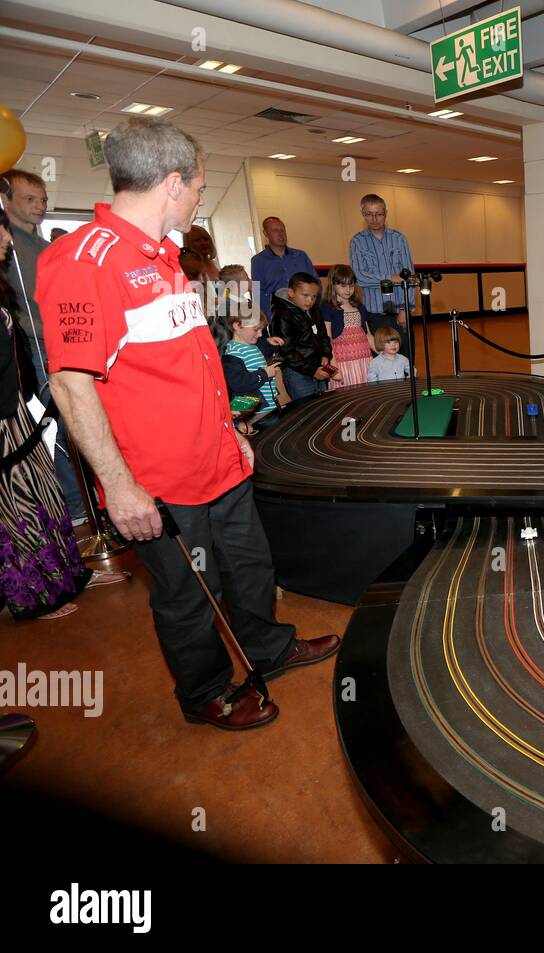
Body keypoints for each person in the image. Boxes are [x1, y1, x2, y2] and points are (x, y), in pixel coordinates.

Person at [38, 117, 338, 729]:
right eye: (200, 186)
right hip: (159, 480)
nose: (202, 197)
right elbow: (71, 384)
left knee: (251, 564)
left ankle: (270, 648)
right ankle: (205, 692)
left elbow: (197, 363)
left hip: (219, 459)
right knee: (187, 596)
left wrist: (232, 435)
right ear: (173, 184)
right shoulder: (82, 261)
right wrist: (119, 486)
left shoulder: (169, 257)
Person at [1, 207, 128, 620]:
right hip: (3, 424)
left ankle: (71, 574)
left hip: (19, 413)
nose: (7, 242)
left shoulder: (3, 287)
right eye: (2, 233)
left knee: (48, 499)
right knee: (18, 511)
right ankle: (37, 595)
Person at [1, 169, 85, 524]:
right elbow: (16, 311)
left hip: (59, 347)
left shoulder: (44, 247)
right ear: (7, 201)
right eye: (30, 199)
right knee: (53, 430)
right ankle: (74, 505)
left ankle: (81, 501)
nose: (40, 206)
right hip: (36, 352)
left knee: (73, 426)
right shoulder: (9, 247)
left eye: (43, 199)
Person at [348, 193, 412, 336]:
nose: (374, 219)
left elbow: (408, 277)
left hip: (399, 313)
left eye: (379, 214)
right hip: (374, 315)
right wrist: (389, 278)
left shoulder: (399, 239)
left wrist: (404, 310)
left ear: (386, 213)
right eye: (369, 214)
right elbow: (359, 277)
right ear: (362, 214)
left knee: (405, 358)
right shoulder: (357, 242)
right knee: (379, 358)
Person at [269, 272, 333, 400]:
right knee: (306, 410)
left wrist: (325, 354)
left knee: (323, 407)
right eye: (305, 295)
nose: (310, 301)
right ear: (291, 293)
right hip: (297, 373)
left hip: (318, 368)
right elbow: (286, 350)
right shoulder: (282, 315)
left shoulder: (315, 311)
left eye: (314, 297)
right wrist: (311, 370)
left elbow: (323, 337)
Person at [321, 264, 376, 389]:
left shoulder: (360, 307)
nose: (348, 290)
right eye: (343, 285)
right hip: (342, 363)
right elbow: (327, 339)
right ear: (333, 285)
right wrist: (333, 367)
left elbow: (367, 334)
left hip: (365, 360)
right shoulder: (327, 307)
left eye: (351, 285)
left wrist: (383, 353)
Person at [250, 216, 316, 319]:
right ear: (266, 233)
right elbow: (258, 293)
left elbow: (315, 283)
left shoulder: (301, 256)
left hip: (305, 314)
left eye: (282, 230)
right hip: (278, 316)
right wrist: (270, 318)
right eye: (275, 230)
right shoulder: (258, 261)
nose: (280, 234)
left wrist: (314, 310)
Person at [220, 310, 280, 417]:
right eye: (256, 330)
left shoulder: (251, 346)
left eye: (262, 330)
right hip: (254, 413)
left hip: (267, 407)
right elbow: (238, 383)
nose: (260, 334)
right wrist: (265, 374)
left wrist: (268, 343)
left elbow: (255, 357)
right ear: (237, 326)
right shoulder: (233, 353)